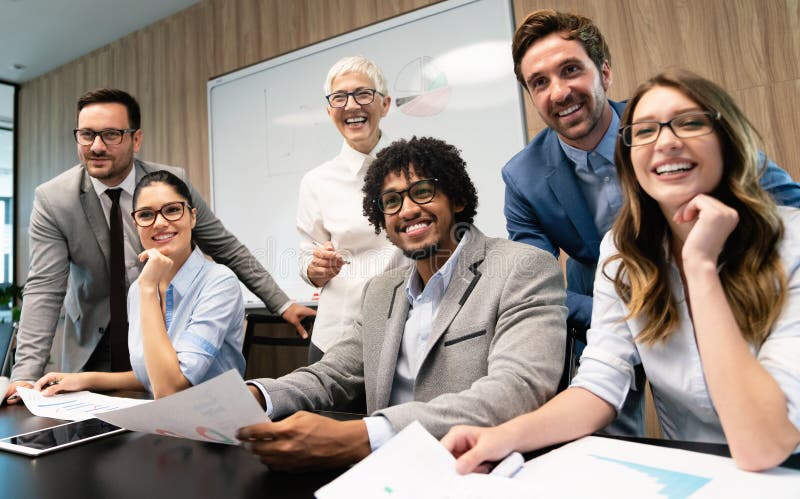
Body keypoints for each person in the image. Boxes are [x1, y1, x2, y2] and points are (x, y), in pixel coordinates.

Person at [442, 69, 800, 473]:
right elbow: (598, 385)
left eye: (689, 122)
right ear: (630, 159)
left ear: (728, 140)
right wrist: (501, 437)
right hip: (700, 470)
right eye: (645, 131)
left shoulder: (792, 243)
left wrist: (700, 267)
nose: (666, 141)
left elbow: (763, 445)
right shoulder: (623, 250)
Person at [501, 8, 800, 435]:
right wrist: (631, 308)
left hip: (729, 278)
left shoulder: (674, 131)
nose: (560, 91)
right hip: (605, 294)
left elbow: (783, 204)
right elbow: (534, 285)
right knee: (606, 413)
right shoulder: (524, 178)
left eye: (571, 70)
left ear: (604, 72)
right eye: (540, 82)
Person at [236, 137, 567, 471]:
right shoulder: (381, 290)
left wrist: (363, 436)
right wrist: (260, 395)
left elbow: (516, 390)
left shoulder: (522, 268)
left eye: (422, 191)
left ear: (458, 198)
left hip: (473, 473)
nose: (407, 210)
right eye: (391, 201)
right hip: (384, 472)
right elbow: (333, 373)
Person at [5, 89, 314, 403]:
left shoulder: (167, 185)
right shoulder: (54, 199)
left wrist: (282, 303)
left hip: (170, 339)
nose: (96, 146)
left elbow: (225, 246)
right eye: (87, 135)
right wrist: (24, 378)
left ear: (136, 139)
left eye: (111, 134)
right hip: (93, 348)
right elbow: (44, 288)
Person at [33, 171, 245, 398]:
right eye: (146, 215)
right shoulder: (139, 290)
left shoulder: (219, 283)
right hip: (163, 422)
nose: (161, 223)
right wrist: (84, 379)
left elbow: (169, 388)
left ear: (192, 217)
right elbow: (151, 375)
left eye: (172, 210)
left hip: (212, 423)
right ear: (135, 224)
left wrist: (147, 289)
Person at [297, 56, 405, 363]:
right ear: (330, 110)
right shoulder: (316, 182)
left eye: (363, 94)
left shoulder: (415, 169)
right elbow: (308, 256)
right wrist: (314, 269)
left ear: (385, 104)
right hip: (336, 339)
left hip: (404, 336)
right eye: (339, 98)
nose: (351, 105)